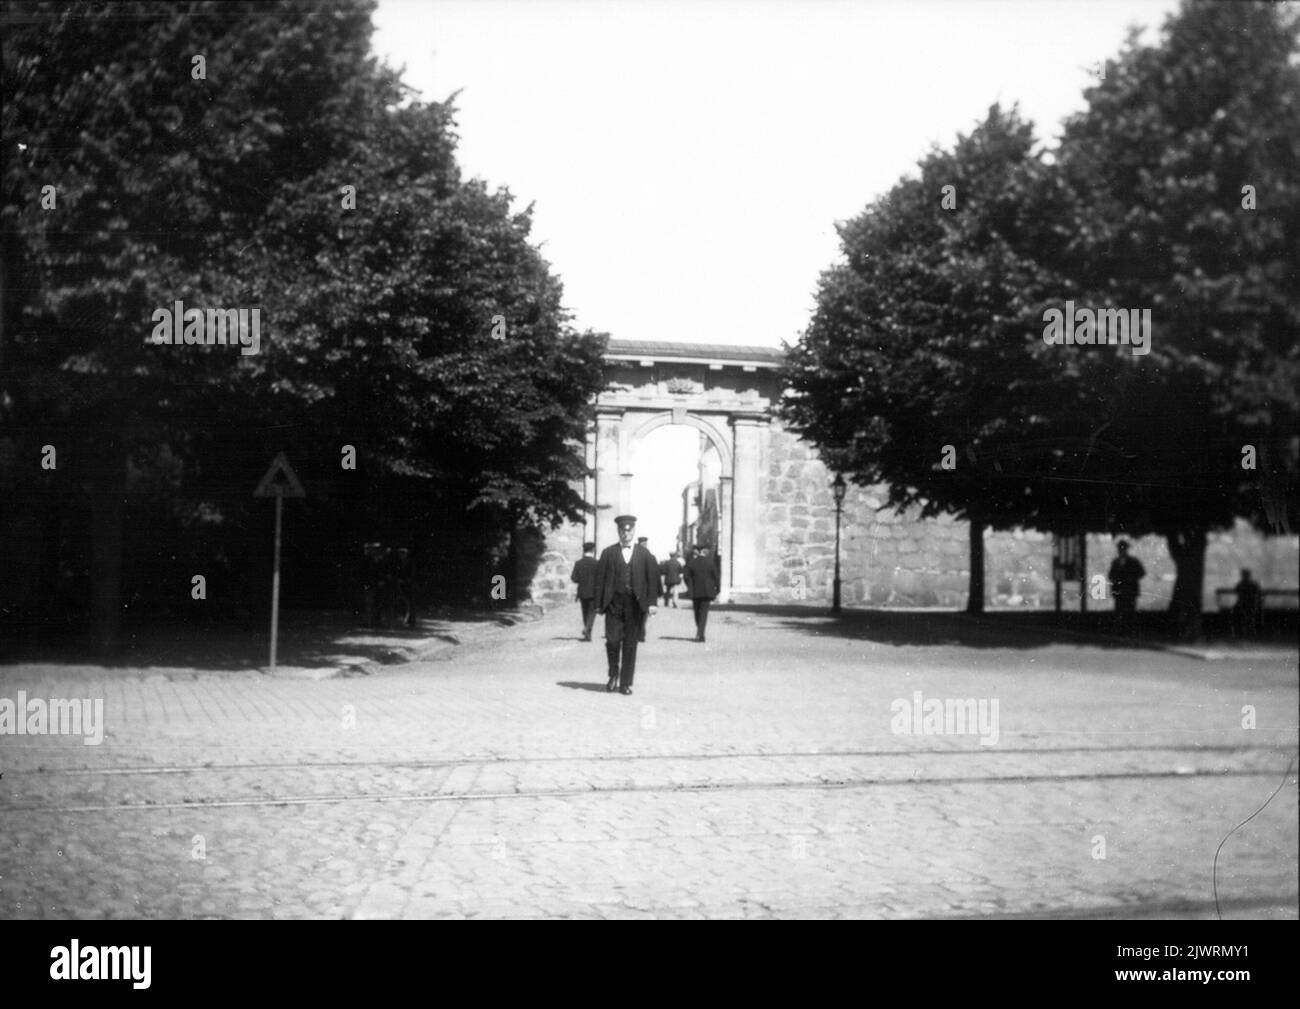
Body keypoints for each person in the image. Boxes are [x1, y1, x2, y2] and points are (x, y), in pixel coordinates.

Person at [594, 515, 659, 695]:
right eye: (623, 531)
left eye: (629, 530)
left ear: (634, 531)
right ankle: (613, 674)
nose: (626, 534)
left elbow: (652, 580)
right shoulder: (608, 553)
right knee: (612, 641)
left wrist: (652, 603)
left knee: (630, 644)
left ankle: (625, 683)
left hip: (635, 606)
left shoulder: (645, 554)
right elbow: (600, 579)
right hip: (614, 604)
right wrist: (599, 604)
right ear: (619, 532)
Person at [683, 543, 720, 643]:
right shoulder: (710, 563)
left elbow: (686, 577)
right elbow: (716, 577)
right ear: (704, 551)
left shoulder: (691, 563)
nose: (707, 552)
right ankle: (701, 634)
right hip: (707, 593)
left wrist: (690, 587)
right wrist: (717, 590)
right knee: (704, 613)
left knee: (697, 613)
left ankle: (700, 633)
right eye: (706, 550)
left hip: (695, 592)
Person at [1107, 540, 1146, 635]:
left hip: (1130, 590)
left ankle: (1130, 631)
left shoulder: (1133, 561)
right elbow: (1110, 575)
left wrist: (1131, 578)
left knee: (1130, 611)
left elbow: (1141, 573)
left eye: (1123, 548)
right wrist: (1115, 580)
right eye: (1120, 549)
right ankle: (1120, 631)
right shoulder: (1115, 562)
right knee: (1119, 611)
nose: (1121, 551)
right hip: (1119, 590)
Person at [570, 542, 598, 641]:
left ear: (584, 550)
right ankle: (587, 629)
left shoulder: (578, 563)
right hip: (594, 592)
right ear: (593, 550)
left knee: (585, 612)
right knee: (592, 612)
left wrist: (581, 580)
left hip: (582, 591)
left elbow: (573, 578)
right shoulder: (596, 563)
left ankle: (587, 635)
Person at [635, 537, 661, 643]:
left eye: (645, 544)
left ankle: (640, 633)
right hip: (638, 590)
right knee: (640, 612)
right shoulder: (633, 556)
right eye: (643, 544)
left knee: (643, 611)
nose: (644, 546)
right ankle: (640, 632)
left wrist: (658, 589)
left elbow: (655, 575)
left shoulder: (650, 557)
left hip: (645, 590)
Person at [1232, 568, 1263, 638]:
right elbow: (1258, 594)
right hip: (1251, 604)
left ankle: (1241, 632)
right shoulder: (1254, 584)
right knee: (1249, 618)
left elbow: (1236, 591)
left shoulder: (1240, 584)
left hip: (1243, 604)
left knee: (1240, 616)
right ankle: (1249, 632)